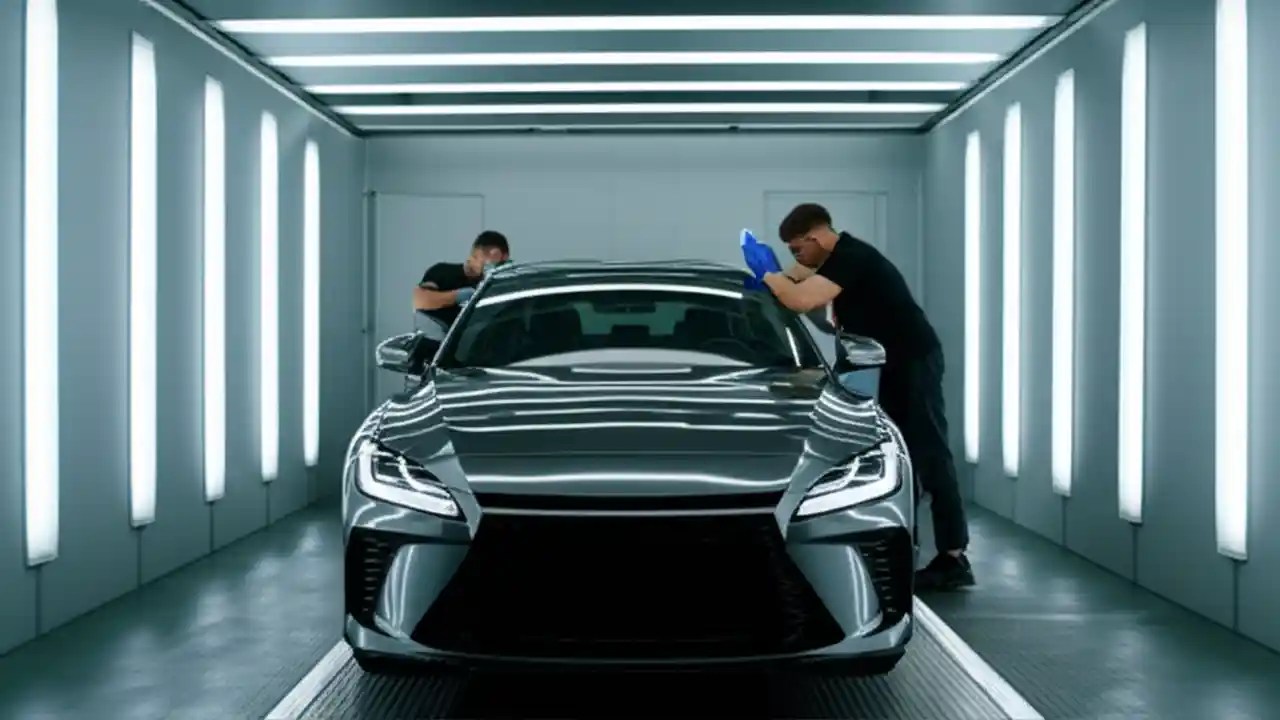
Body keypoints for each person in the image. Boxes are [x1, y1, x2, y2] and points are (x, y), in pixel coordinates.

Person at [745, 203, 974, 591]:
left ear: (815, 238)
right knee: (904, 456)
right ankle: (914, 545)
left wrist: (768, 273)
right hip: (894, 363)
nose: (795, 258)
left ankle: (954, 556)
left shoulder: (853, 257)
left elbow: (800, 299)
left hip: (914, 360)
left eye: (797, 249)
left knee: (930, 451)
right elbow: (798, 281)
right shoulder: (837, 259)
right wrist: (771, 277)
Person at [413, 230, 510, 327]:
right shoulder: (442, 271)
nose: (495, 268)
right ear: (475, 253)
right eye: (491, 262)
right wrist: (458, 296)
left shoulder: (492, 286)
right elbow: (420, 300)